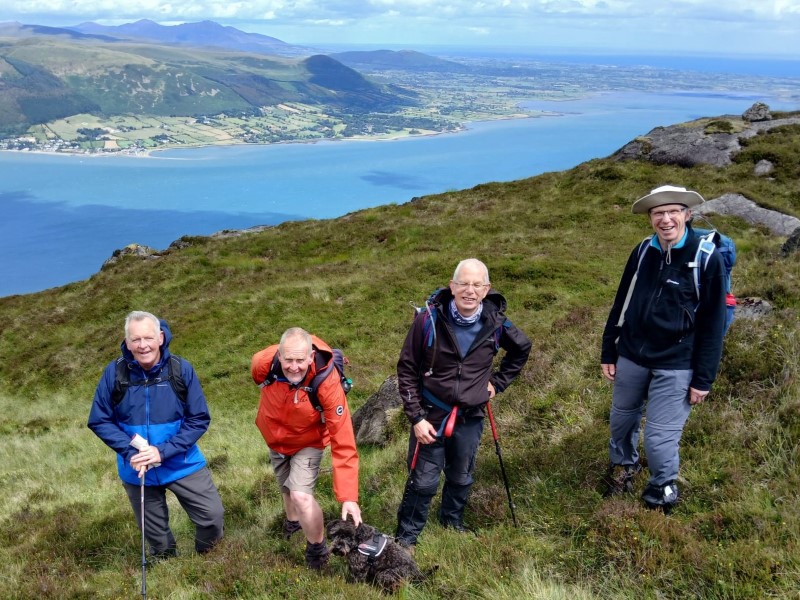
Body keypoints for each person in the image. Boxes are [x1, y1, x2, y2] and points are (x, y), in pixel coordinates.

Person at [601, 185, 727, 512]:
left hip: (677, 364)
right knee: (621, 420)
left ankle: (662, 489)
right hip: (631, 354)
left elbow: (713, 323)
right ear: (650, 218)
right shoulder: (643, 251)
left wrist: (703, 379)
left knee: (658, 440)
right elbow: (622, 302)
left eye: (673, 211)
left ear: (687, 214)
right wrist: (608, 351)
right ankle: (624, 466)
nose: (666, 219)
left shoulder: (706, 258)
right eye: (658, 213)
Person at [395, 258, 531, 551]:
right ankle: (407, 537)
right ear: (452, 286)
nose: (470, 290)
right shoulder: (428, 320)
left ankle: (451, 524)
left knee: (461, 475)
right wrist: (416, 418)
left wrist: (498, 383)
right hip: (430, 414)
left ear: (487, 289)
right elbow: (406, 369)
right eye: (464, 284)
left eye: (477, 284)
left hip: (471, 415)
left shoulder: (496, 322)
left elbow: (522, 348)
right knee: (423, 481)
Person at [88, 311, 224, 558]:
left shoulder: (180, 370)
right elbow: (99, 420)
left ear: (160, 337)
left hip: (181, 462)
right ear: (127, 342)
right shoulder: (114, 373)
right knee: (156, 538)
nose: (142, 346)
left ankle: (208, 557)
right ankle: (167, 566)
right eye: (136, 340)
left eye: (148, 338)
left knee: (212, 517)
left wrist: (162, 452)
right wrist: (132, 453)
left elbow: (198, 418)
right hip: (137, 467)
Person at [251, 327, 362, 570]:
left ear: (311, 356)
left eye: (300, 360)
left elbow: (343, 439)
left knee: (301, 495)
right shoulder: (262, 364)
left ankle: (317, 550)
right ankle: (293, 525)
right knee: (287, 488)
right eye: (288, 360)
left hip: (308, 440)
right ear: (278, 356)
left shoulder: (326, 382)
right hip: (276, 441)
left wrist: (348, 496)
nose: (294, 367)